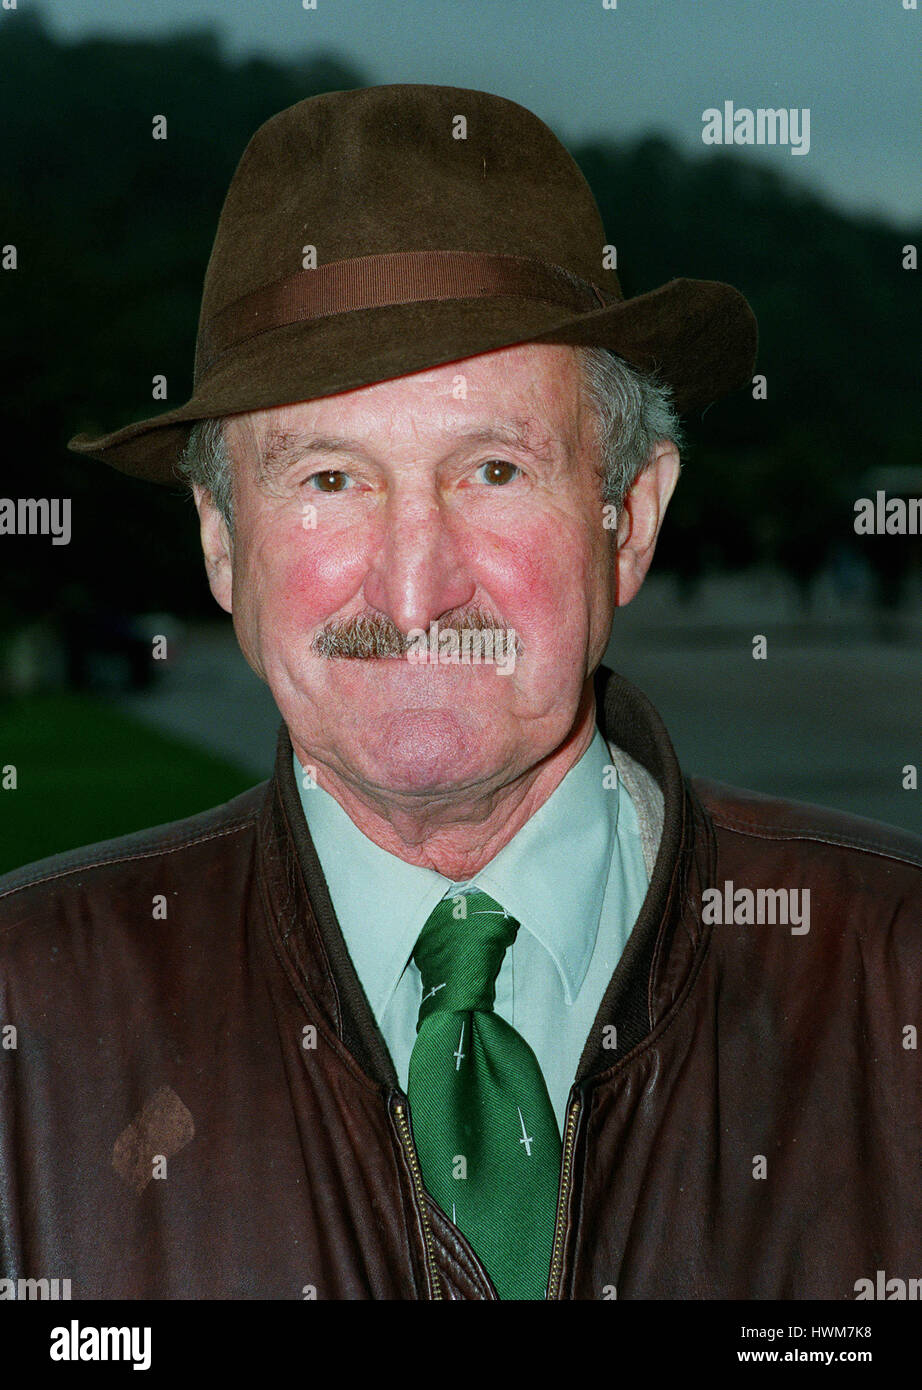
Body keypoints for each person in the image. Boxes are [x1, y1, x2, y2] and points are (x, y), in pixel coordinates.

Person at [1, 84, 919, 1302]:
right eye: (330, 478)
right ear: (223, 543)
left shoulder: (891, 978)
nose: (417, 585)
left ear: (628, 519)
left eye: (492, 468)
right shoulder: (28, 1022)